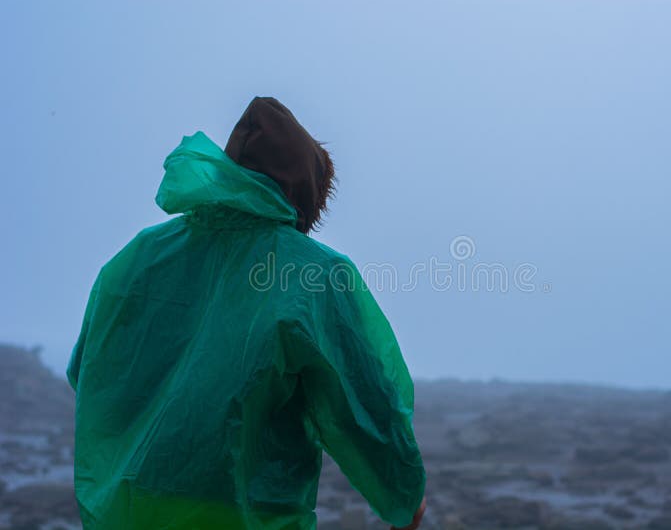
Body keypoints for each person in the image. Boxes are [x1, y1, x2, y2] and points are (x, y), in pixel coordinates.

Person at [67, 97, 427, 529]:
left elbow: (85, 373)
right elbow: (366, 408)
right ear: (308, 194)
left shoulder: (136, 258)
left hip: (125, 509)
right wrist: (405, 501)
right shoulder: (314, 276)